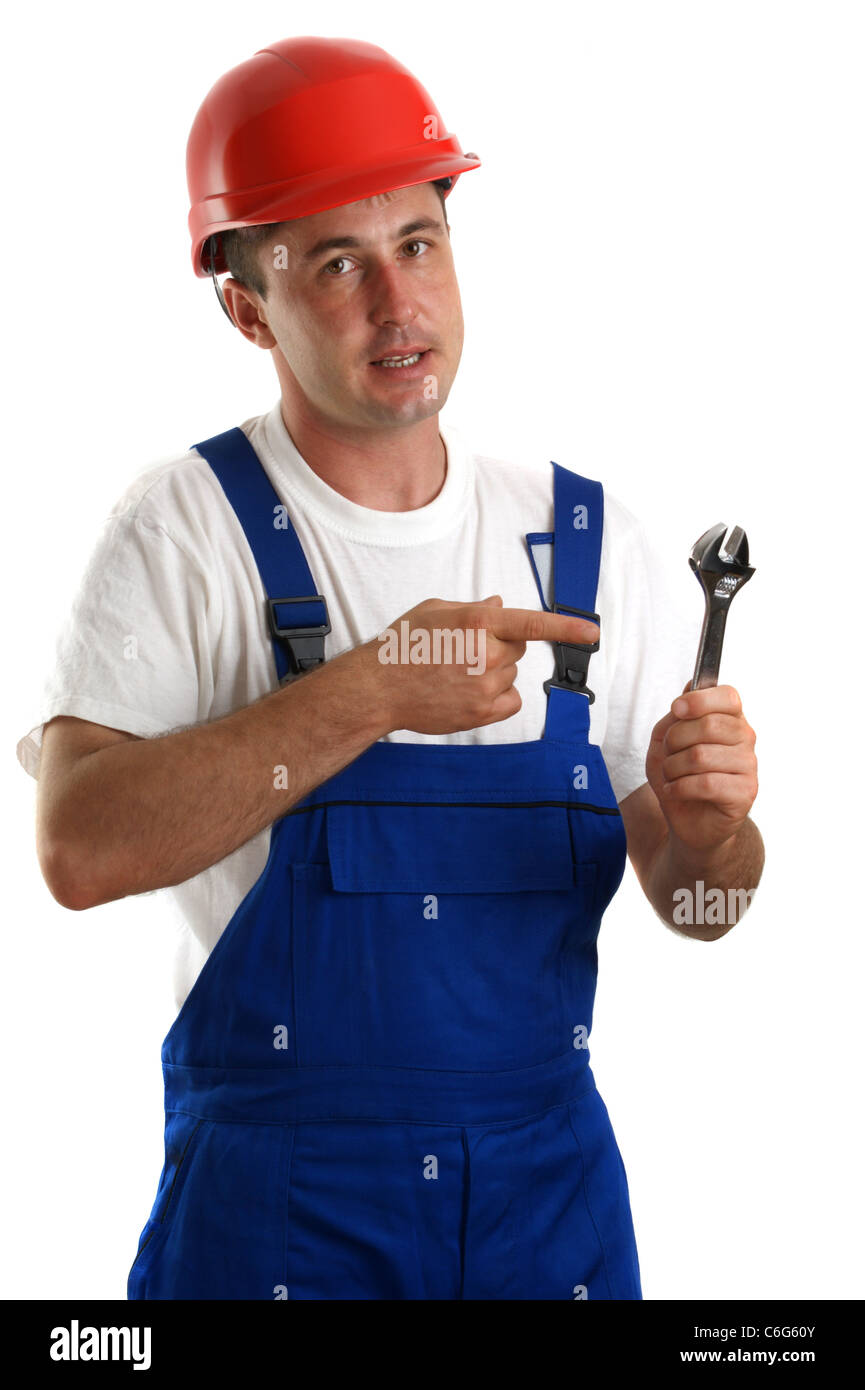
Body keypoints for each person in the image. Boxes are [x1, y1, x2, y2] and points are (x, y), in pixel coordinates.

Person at [18, 36, 763, 1300]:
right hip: (277, 1229)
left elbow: (702, 912)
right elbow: (77, 851)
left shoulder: (584, 542)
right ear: (247, 305)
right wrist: (370, 690)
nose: (396, 304)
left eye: (417, 243)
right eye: (335, 264)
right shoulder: (187, 528)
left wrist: (712, 838)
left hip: (548, 1216)